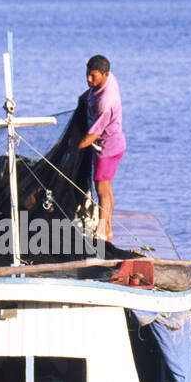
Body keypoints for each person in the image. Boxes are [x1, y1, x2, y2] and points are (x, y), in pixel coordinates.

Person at [78, 55, 126, 244]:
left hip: (108, 147)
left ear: (105, 74)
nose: (89, 80)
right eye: (87, 75)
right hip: (109, 145)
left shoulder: (105, 102)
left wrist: (72, 148)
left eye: (94, 76)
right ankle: (108, 230)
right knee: (106, 189)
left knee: (101, 189)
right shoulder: (108, 79)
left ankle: (101, 233)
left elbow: (93, 135)